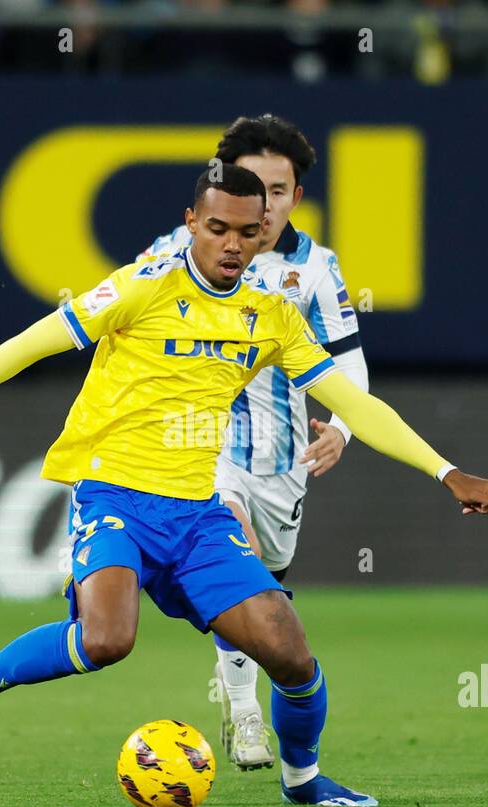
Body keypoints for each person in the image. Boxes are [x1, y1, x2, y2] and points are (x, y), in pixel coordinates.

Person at [0, 165, 488, 807]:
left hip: (197, 514)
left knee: (289, 653)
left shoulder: (272, 319)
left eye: (247, 232)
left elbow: (357, 404)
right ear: (191, 226)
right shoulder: (142, 288)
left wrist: (445, 470)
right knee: (106, 639)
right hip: (114, 494)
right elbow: (29, 344)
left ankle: (303, 781)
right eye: (217, 229)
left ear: (265, 234)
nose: (232, 245)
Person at [139, 115, 368, 772]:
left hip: (284, 459)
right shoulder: (175, 250)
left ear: (296, 196)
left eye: (279, 188)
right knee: (230, 560)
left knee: (265, 592)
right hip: (200, 449)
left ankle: (240, 683)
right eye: (252, 186)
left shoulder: (316, 268)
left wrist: (344, 428)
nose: (264, 205)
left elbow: (349, 363)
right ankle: (244, 716)